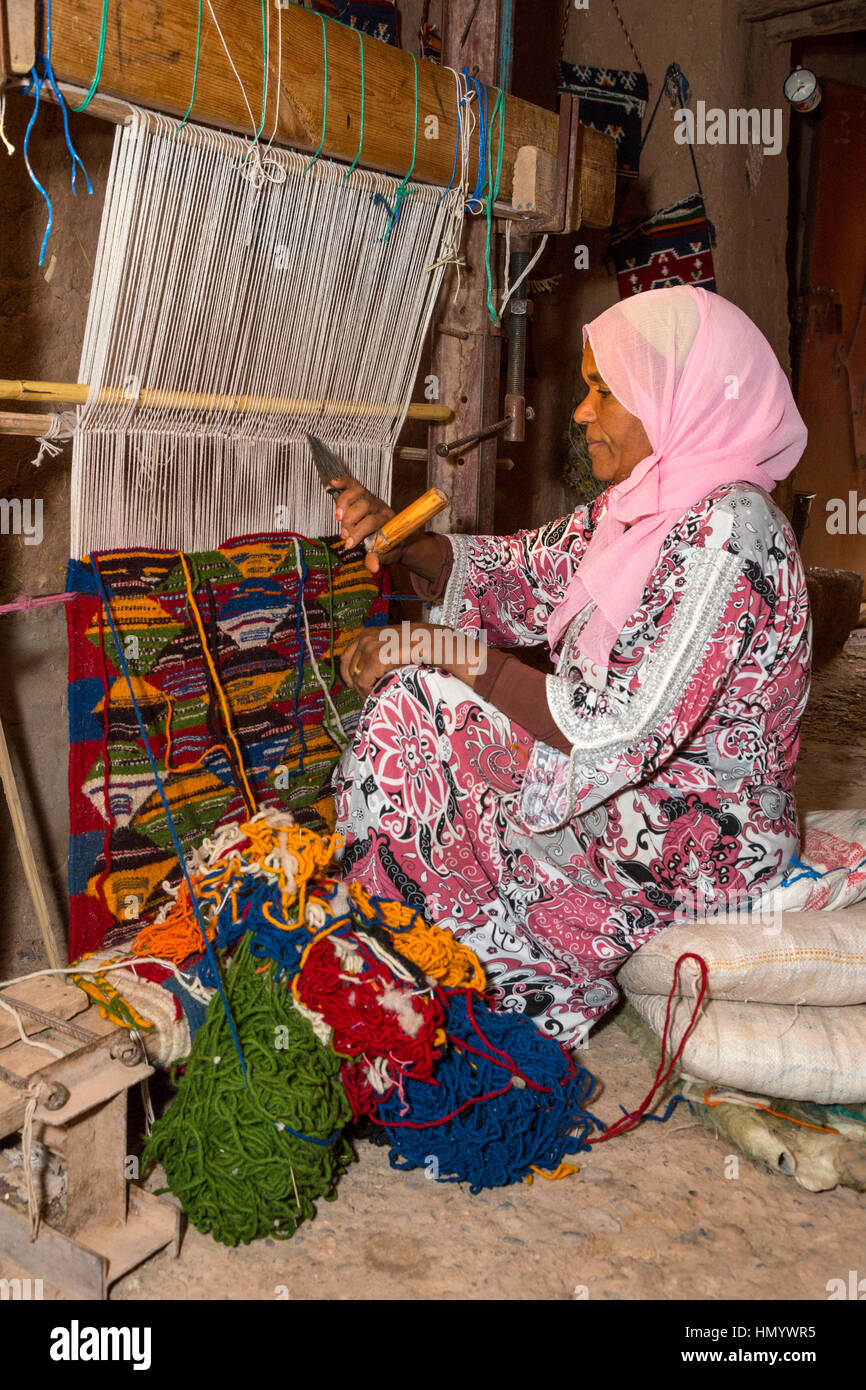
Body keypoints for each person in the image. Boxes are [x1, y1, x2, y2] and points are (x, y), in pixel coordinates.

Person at [330, 285, 811, 1047]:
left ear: (674, 396)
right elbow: (523, 574)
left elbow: (621, 728)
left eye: (604, 391)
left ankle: (505, 982)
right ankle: (400, 947)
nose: (583, 412)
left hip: (693, 831)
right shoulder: (644, 505)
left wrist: (438, 647)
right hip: (616, 786)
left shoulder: (729, 531)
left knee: (421, 706)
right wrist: (398, 538)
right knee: (420, 707)